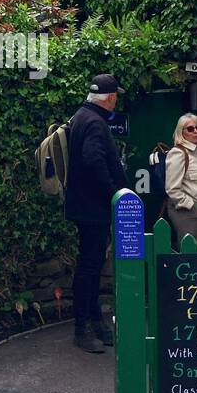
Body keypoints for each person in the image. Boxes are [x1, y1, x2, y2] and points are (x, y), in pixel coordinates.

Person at [64, 74, 128, 353]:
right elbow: (93, 161)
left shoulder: (82, 116)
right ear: (110, 97)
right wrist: (114, 193)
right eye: (116, 96)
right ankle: (83, 328)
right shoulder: (95, 123)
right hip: (94, 208)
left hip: (84, 206)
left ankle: (95, 323)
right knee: (89, 267)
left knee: (90, 265)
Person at [161, 113, 197, 251]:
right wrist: (190, 205)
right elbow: (172, 188)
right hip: (188, 211)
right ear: (181, 132)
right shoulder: (178, 153)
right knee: (189, 250)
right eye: (190, 129)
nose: (196, 131)